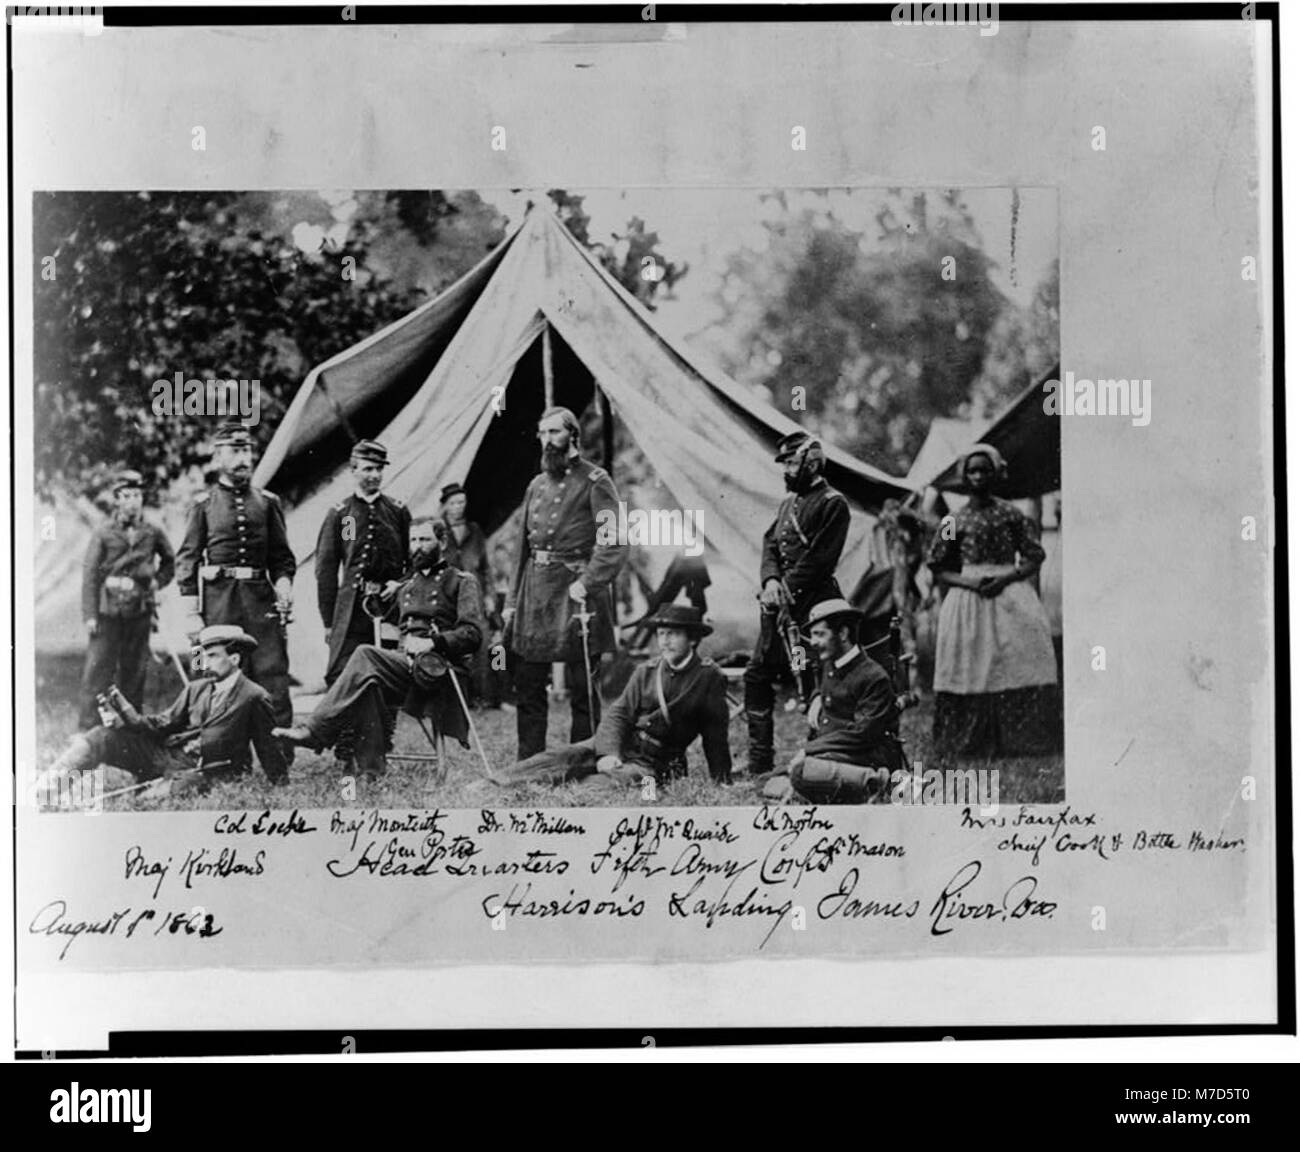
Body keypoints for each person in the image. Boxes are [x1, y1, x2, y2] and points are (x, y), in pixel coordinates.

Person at [274, 517, 485, 779]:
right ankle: (371, 771)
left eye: (425, 540)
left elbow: (473, 634)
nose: (417, 547)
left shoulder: (462, 581)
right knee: (369, 681)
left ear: (442, 542)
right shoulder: (407, 587)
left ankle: (315, 731)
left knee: (365, 654)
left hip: (440, 672)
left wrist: (432, 642)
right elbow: (376, 613)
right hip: (408, 671)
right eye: (413, 540)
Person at [502, 406, 627, 759]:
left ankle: (582, 758)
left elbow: (614, 540)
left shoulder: (596, 481)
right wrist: (511, 601)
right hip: (535, 593)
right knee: (528, 682)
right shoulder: (536, 485)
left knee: (581, 685)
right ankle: (529, 759)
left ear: (573, 435)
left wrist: (587, 583)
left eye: (554, 433)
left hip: (576, 594)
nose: (547, 441)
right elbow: (521, 552)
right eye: (542, 434)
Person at [497, 605, 731, 790]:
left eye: (674, 634)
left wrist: (721, 781)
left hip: (655, 766)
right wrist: (609, 753)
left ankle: (551, 792)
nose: (665, 641)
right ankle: (492, 785)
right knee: (560, 758)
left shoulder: (707, 678)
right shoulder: (646, 671)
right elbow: (618, 714)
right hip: (623, 742)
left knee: (596, 787)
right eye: (661, 634)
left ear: (692, 639)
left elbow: (715, 736)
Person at [926, 444, 1059, 757]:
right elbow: (938, 566)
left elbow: (1033, 556)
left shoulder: (1011, 513)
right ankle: (969, 741)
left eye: (984, 470)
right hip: (968, 596)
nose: (978, 476)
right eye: (972, 471)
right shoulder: (952, 521)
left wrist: (1007, 578)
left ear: (996, 473)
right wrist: (968, 582)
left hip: (1009, 595)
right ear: (963, 476)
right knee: (969, 662)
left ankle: (1021, 739)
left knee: (1021, 657)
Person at [43, 625, 288, 795]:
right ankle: (45, 792)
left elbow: (268, 747)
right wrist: (125, 719)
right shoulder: (197, 688)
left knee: (147, 800)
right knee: (99, 738)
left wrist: (280, 785)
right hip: (165, 756)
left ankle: (152, 786)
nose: (206, 663)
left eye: (213, 656)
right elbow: (162, 724)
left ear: (234, 659)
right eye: (204, 656)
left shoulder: (254, 696)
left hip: (205, 771)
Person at [176, 420, 296, 740]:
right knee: (214, 673)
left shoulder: (268, 503)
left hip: (261, 603)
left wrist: (284, 586)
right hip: (219, 604)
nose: (244, 458)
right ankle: (217, 753)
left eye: (247, 450)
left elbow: (282, 559)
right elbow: (187, 560)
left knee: (272, 674)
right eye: (235, 450)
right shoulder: (203, 505)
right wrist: (191, 612)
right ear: (219, 457)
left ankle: (279, 754)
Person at [743, 430, 850, 775]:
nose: (786, 470)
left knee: (816, 679)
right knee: (757, 674)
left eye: (791, 463)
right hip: (780, 607)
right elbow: (770, 544)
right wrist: (771, 581)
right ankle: (759, 762)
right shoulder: (787, 504)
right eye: (785, 464)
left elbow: (820, 560)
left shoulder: (834, 503)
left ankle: (819, 756)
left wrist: (784, 587)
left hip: (815, 608)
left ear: (812, 463)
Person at [315, 440, 410, 767]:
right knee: (344, 674)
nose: (373, 475)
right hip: (351, 610)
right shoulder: (340, 514)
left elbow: (413, 562)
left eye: (378, 469)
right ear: (353, 471)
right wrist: (330, 621)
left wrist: (399, 584)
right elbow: (326, 570)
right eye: (367, 469)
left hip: (389, 608)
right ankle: (346, 751)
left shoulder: (397, 511)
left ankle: (380, 746)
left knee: (385, 675)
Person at [764, 598, 906, 804]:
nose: (812, 642)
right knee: (768, 779)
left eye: (819, 634)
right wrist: (815, 698)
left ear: (843, 633)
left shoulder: (873, 676)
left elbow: (863, 734)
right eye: (812, 635)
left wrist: (810, 750)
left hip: (865, 755)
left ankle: (881, 782)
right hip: (834, 752)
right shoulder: (830, 662)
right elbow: (803, 663)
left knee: (800, 772)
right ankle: (831, 787)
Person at [78, 469, 176, 728]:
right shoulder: (103, 532)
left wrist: (157, 581)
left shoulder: (152, 530)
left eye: (137, 495)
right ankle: (87, 729)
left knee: (134, 672)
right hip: (107, 611)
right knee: (98, 670)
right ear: (117, 499)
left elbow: (170, 561)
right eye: (127, 495)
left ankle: (130, 731)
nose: (133, 500)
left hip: (139, 611)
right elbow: (89, 576)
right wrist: (90, 615)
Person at [439, 481, 499, 706]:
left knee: (481, 645)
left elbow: (485, 568)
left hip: (475, 596)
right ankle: (456, 698)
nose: (458, 507)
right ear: (445, 506)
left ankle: (483, 697)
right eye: (453, 503)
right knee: (453, 645)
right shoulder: (439, 531)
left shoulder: (475, 531)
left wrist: (490, 596)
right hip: (449, 597)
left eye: (461, 502)